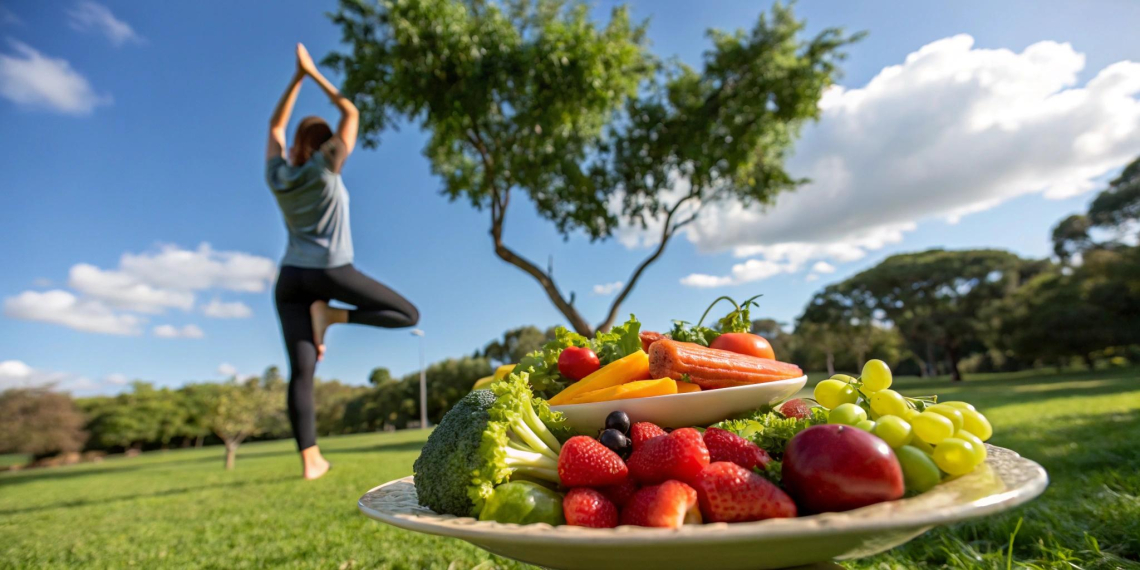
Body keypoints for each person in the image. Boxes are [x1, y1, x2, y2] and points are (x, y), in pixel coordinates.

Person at [266, 44, 419, 480]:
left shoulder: (278, 176)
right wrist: (313, 73)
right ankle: (331, 315)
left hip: (290, 278)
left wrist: (293, 80)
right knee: (408, 314)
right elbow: (350, 112)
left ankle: (310, 459)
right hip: (330, 270)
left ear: (299, 144)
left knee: (301, 372)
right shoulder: (325, 167)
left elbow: (276, 125)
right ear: (325, 144)